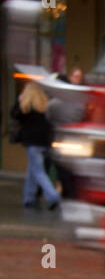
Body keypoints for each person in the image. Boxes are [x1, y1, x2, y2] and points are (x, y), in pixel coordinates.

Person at [11, 81, 59, 211]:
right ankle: (29, 198)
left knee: (38, 171)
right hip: (45, 142)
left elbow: (15, 115)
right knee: (33, 170)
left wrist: (19, 101)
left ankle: (52, 195)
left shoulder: (27, 106)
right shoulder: (45, 105)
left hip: (33, 143)